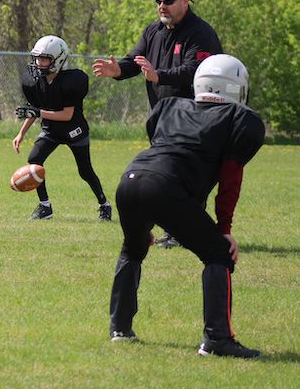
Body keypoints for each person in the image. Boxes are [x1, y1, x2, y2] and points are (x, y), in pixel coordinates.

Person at [108, 54, 264, 358]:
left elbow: (164, 151)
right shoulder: (239, 119)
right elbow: (229, 182)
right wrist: (225, 230)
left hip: (130, 178)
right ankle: (218, 339)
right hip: (163, 186)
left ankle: (120, 329)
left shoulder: (169, 106)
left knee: (133, 248)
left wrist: (152, 218)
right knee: (218, 254)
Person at [93, 0, 223, 247]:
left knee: (186, 176)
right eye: (159, 2)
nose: (162, 7)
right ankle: (176, 232)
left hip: (194, 116)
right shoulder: (153, 31)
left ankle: (183, 233)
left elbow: (195, 71)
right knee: (166, 176)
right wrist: (118, 71)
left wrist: (158, 75)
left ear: (185, 2)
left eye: (168, 2)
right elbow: (135, 60)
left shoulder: (201, 33)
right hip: (162, 116)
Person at [13, 35, 112, 221]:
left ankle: (104, 205)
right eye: (37, 58)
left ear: (57, 60)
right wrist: (21, 134)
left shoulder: (72, 80)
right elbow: (34, 110)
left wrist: (38, 113)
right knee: (34, 161)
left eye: (44, 59)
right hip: (51, 130)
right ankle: (45, 207)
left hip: (73, 130)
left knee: (85, 171)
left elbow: (66, 115)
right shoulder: (35, 82)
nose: (38, 63)